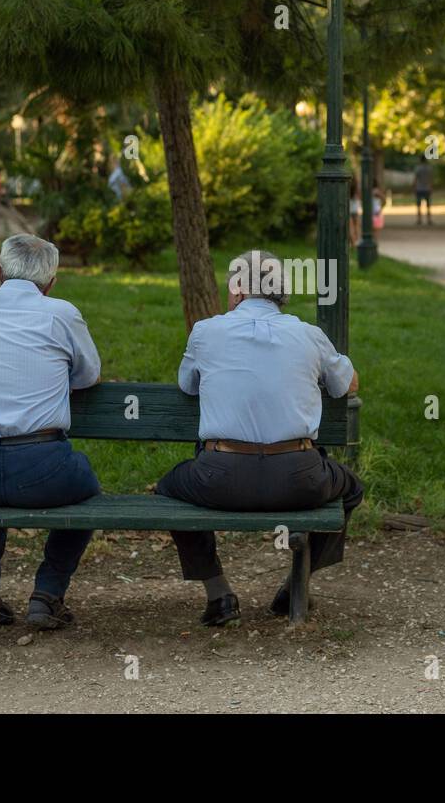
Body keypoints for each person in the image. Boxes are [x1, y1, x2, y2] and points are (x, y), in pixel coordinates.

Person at [155, 250, 365, 627]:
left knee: (168, 490)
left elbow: (187, 385)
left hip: (220, 478)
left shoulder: (206, 331)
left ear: (237, 290)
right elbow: (348, 384)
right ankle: (296, 583)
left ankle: (218, 592)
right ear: (281, 293)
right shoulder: (308, 335)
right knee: (350, 489)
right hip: (299, 478)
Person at [0, 234, 103, 631]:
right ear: (51, 281)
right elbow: (89, 376)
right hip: (42, 467)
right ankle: (46, 594)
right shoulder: (60, 313)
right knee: (87, 493)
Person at [414, 157, 433, 225]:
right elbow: (431, 178)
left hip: (419, 188)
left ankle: (419, 220)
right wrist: (431, 187)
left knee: (419, 205)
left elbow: (415, 178)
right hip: (427, 188)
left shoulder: (418, 168)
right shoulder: (429, 168)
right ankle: (429, 220)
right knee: (428, 205)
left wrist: (414, 187)